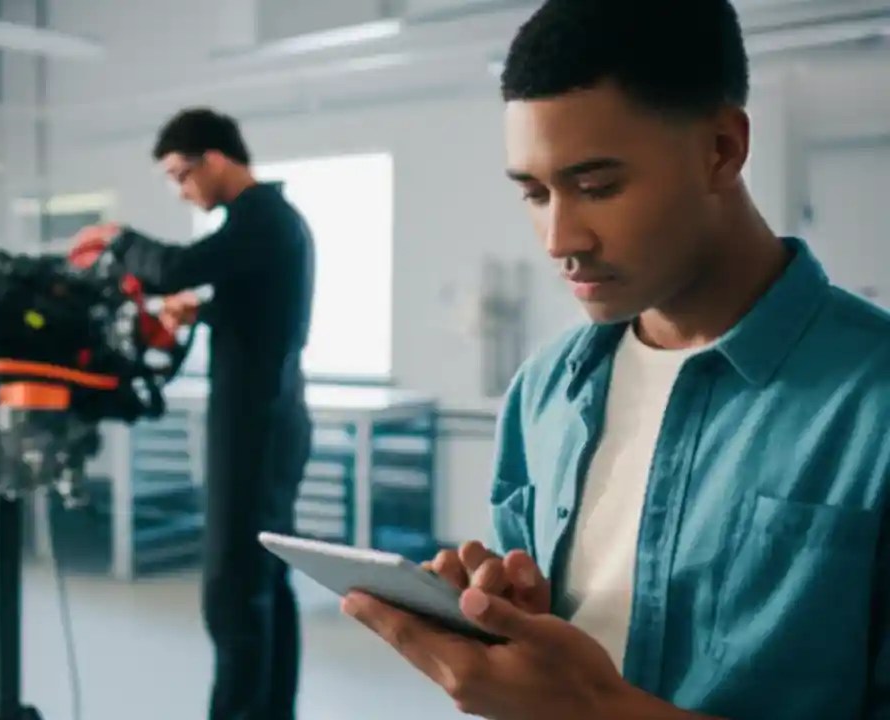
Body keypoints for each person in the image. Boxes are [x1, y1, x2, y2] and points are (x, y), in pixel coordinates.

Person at [341, 1, 890, 718]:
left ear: (721, 149)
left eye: (597, 187)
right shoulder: (542, 391)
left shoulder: (872, 401)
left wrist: (597, 709)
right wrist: (513, 622)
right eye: (535, 193)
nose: (559, 238)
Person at [72, 108, 315, 720]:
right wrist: (201, 314)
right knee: (266, 584)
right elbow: (258, 308)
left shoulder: (260, 219)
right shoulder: (272, 224)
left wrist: (118, 239)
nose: (182, 189)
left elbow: (176, 267)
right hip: (275, 416)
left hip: (253, 427)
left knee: (232, 592)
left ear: (216, 159)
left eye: (182, 175)